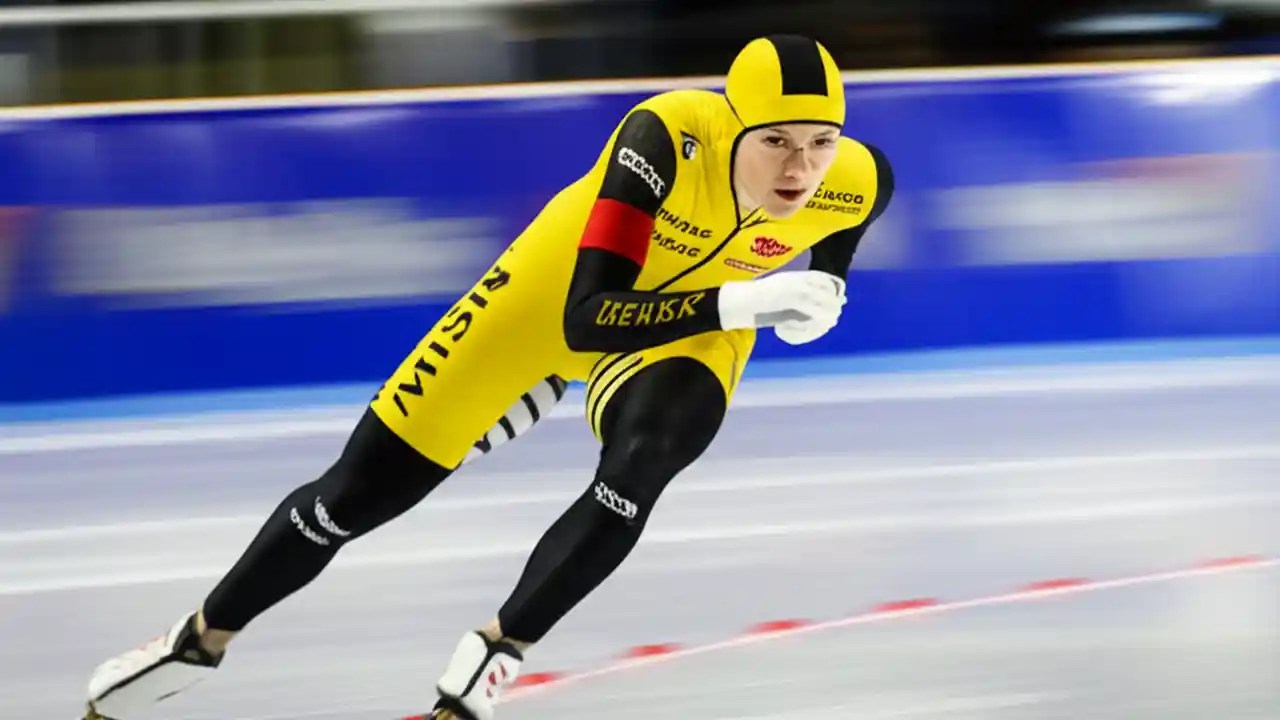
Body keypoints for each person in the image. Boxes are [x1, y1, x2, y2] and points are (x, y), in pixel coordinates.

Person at [83, 33, 894, 720]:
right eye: (777, 142)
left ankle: (495, 654)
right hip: (554, 302)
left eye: (819, 142)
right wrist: (743, 301)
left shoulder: (857, 179)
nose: (800, 168)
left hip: (683, 335)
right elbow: (588, 316)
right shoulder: (662, 138)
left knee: (641, 468)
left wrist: (826, 286)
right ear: (732, 127)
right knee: (357, 495)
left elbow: (844, 233)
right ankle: (204, 637)